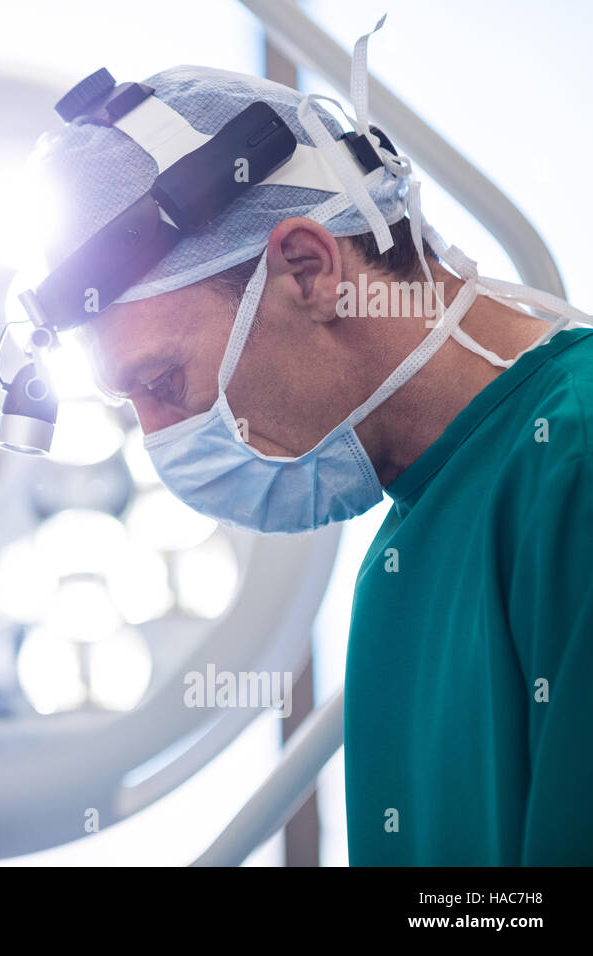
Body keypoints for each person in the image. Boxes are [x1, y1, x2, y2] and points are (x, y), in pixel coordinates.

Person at [33, 28, 593, 864]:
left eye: (161, 383)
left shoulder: (572, 457)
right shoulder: (398, 561)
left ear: (308, 269)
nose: (158, 437)